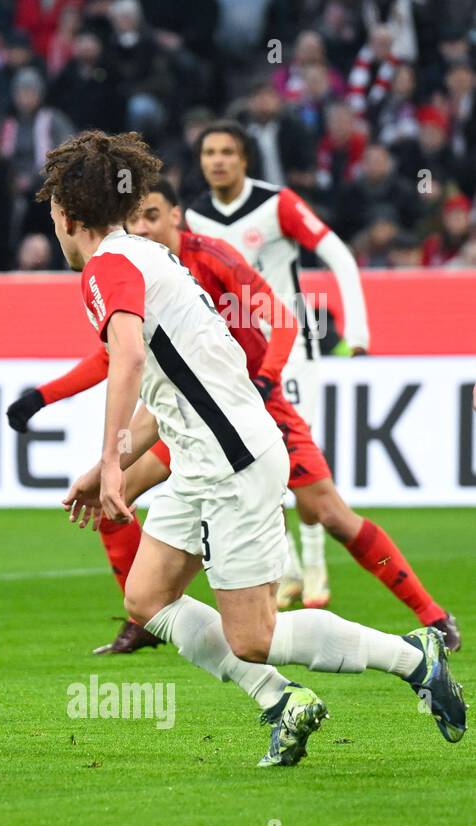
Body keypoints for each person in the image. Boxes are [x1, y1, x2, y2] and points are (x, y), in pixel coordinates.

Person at [46, 131, 463, 766]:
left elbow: (126, 358)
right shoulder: (143, 254)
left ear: (67, 214)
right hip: (203, 458)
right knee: (147, 598)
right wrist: (106, 463)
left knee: (253, 637)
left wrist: (110, 461)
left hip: (232, 463)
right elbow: (171, 394)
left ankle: (414, 656)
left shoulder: (109, 266)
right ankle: (282, 703)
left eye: (51, 212)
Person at [11, 181, 460, 655]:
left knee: (327, 515)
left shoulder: (208, 259)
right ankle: (145, 616)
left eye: (152, 216)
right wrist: (44, 397)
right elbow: (119, 357)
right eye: (136, 218)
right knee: (113, 497)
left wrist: (266, 379)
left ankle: (430, 616)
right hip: (190, 419)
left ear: (176, 216)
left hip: (251, 406)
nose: (143, 226)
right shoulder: (144, 266)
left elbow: (283, 320)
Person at [184, 120, 371, 611]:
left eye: (227, 151)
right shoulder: (194, 217)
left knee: (296, 463)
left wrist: (358, 333)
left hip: (292, 351)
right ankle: (285, 569)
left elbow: (339, 255)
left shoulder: (278, 204)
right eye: (209, 152)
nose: (218, 160)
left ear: (245, 159)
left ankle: (315, 567)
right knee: (258, 466)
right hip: (235, 358)